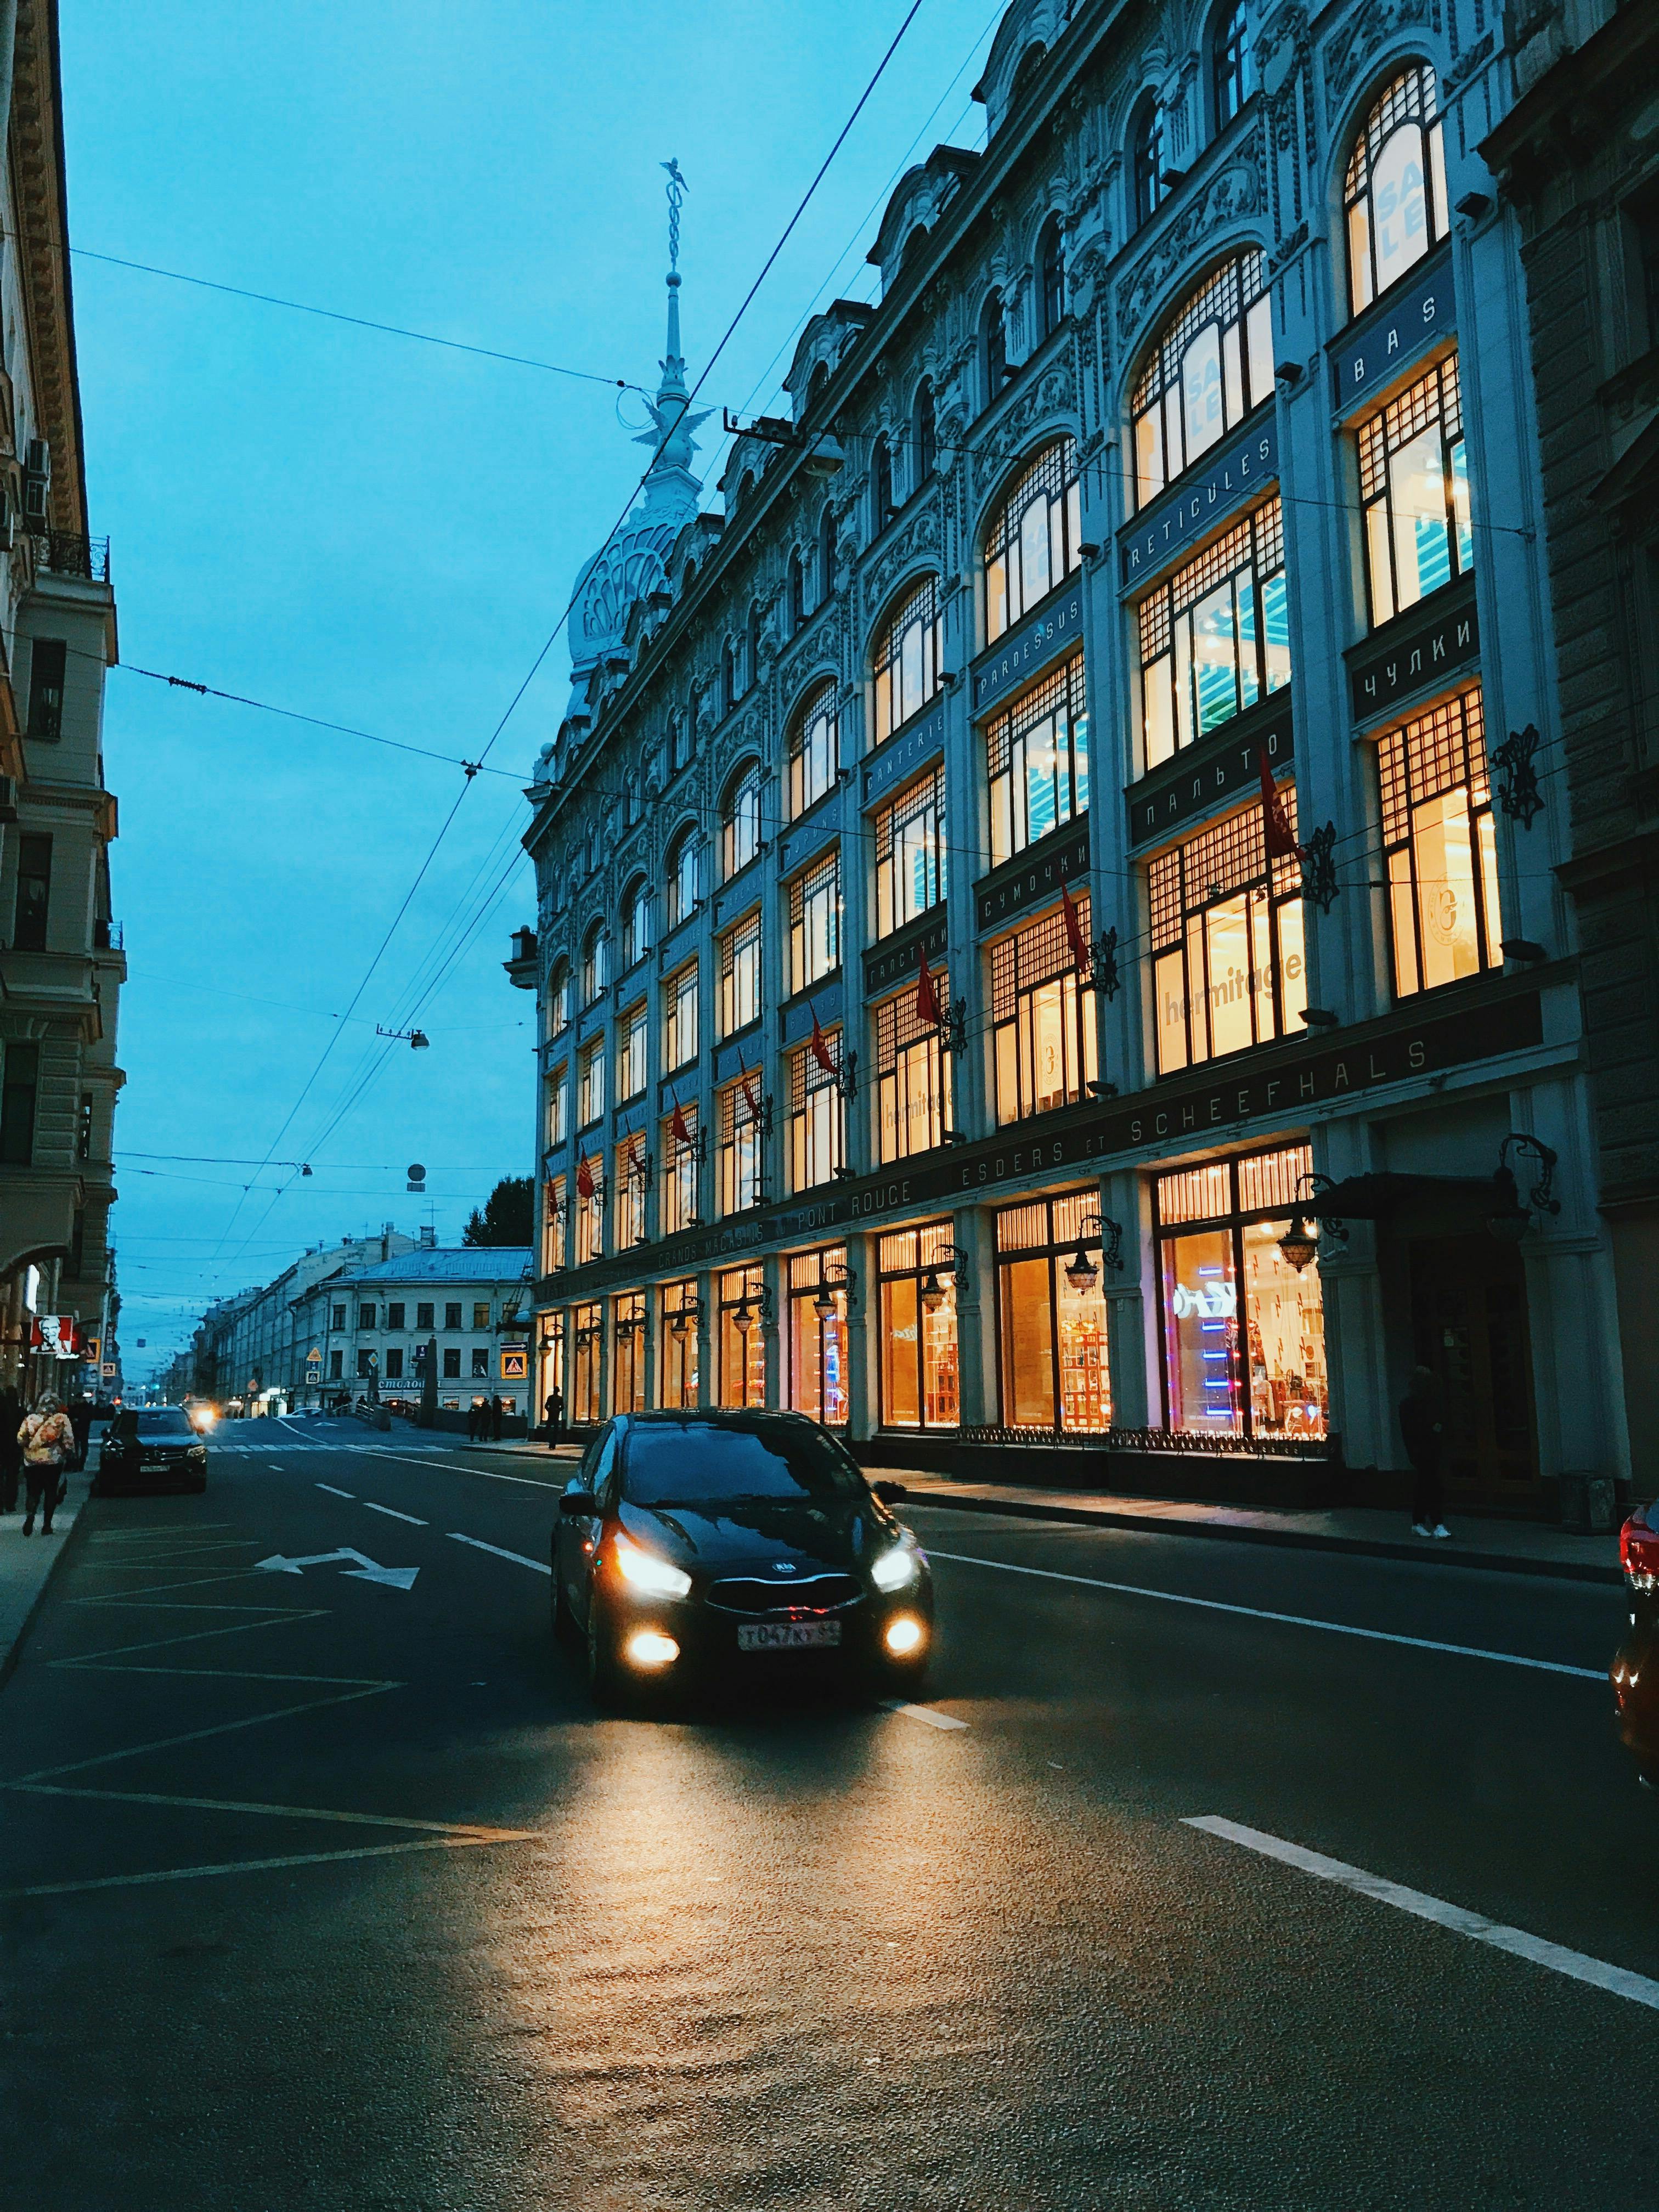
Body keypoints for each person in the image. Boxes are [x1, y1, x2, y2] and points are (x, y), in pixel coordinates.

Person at [1400, 1364, 1449, 1539]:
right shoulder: (1416, 1404)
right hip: (1425, 1450)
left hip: (1427, 1450)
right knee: (1431, 1486)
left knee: (1426, 1486)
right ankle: (1435, 1523)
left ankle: (1420, 1522)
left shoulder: (1427, 1403)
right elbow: (1413, 1430)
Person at [18, 1392, 74, 1537]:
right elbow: (69, 1442)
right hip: (53, 1462)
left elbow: (20, 1439)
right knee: (50, 1492)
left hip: (32, 1462)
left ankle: (30, 1516)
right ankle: (47, 1526)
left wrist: (30, 1446)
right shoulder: (61, 1420)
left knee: (33, 1491)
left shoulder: (30, 1419)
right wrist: (65, 1453)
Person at [0, 1383, 21, 1512]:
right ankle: (10, 1503)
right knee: (12, 1477)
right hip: (14, 1448)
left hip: (2, 1446)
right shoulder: (20, 1412)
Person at [544, 1386, 563, 1452]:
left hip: (554, 1416)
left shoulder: (558, 1398)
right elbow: (546, 1406)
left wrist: (554, 1410)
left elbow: (562, 1407)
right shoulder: (553, 1398)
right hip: (553, 1416)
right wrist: (555, 1410)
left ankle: (553, 1444)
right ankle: (552, 1443)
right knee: (551, 1430)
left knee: (553, 1430)